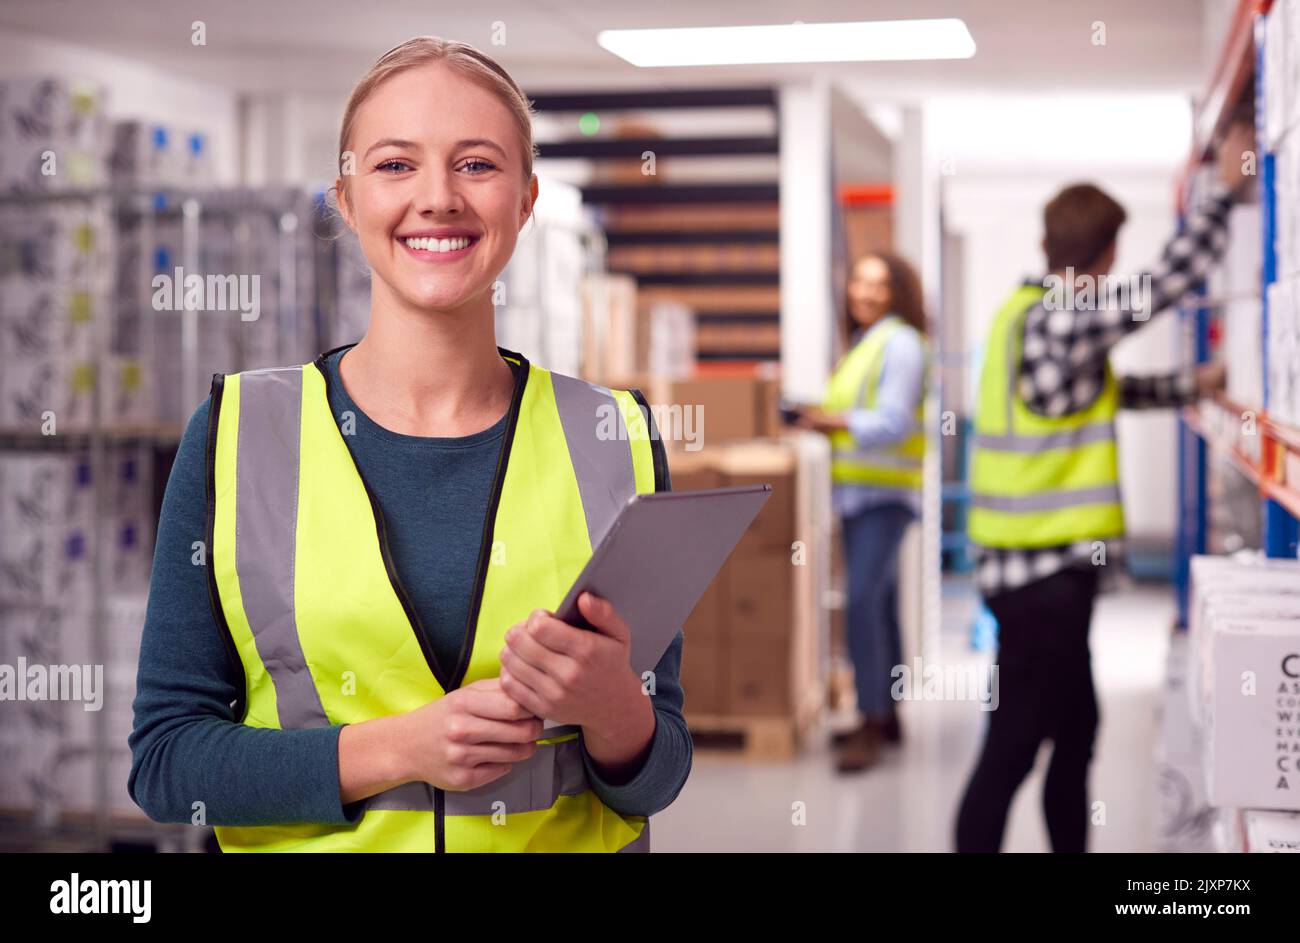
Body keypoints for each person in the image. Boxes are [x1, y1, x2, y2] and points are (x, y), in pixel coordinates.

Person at [127, 36, 692, 853]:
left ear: (525, 200)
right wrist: (399, 747)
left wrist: (614, 708)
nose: (438, 198)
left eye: (476, 165)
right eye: (395, 165)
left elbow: (661, 770)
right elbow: (168, 764)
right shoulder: (238, 433)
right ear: (345, 199)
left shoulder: (615, 438)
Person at [954, 123, 1252, 852]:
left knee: (1075, 730)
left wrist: (1193, 384)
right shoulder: (1065, 316)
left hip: (1032, 571)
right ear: (1106, 251)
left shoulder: (1024, 317)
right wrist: (1219, 190)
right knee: (1016, 741)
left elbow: (1096, 392)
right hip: (1041, 573)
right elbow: (1165, 289)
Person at [791, 252, 927, 772]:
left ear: (898, 293)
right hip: (860, 496)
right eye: (859, 282)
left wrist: (832, 422)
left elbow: (890, 422)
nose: (864, 293)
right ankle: (886, 714)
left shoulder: (901, 344)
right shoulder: (866, 345)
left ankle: (870, 721)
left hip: (883, 497)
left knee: (863, 601)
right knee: (881, 601)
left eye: (879, 284)